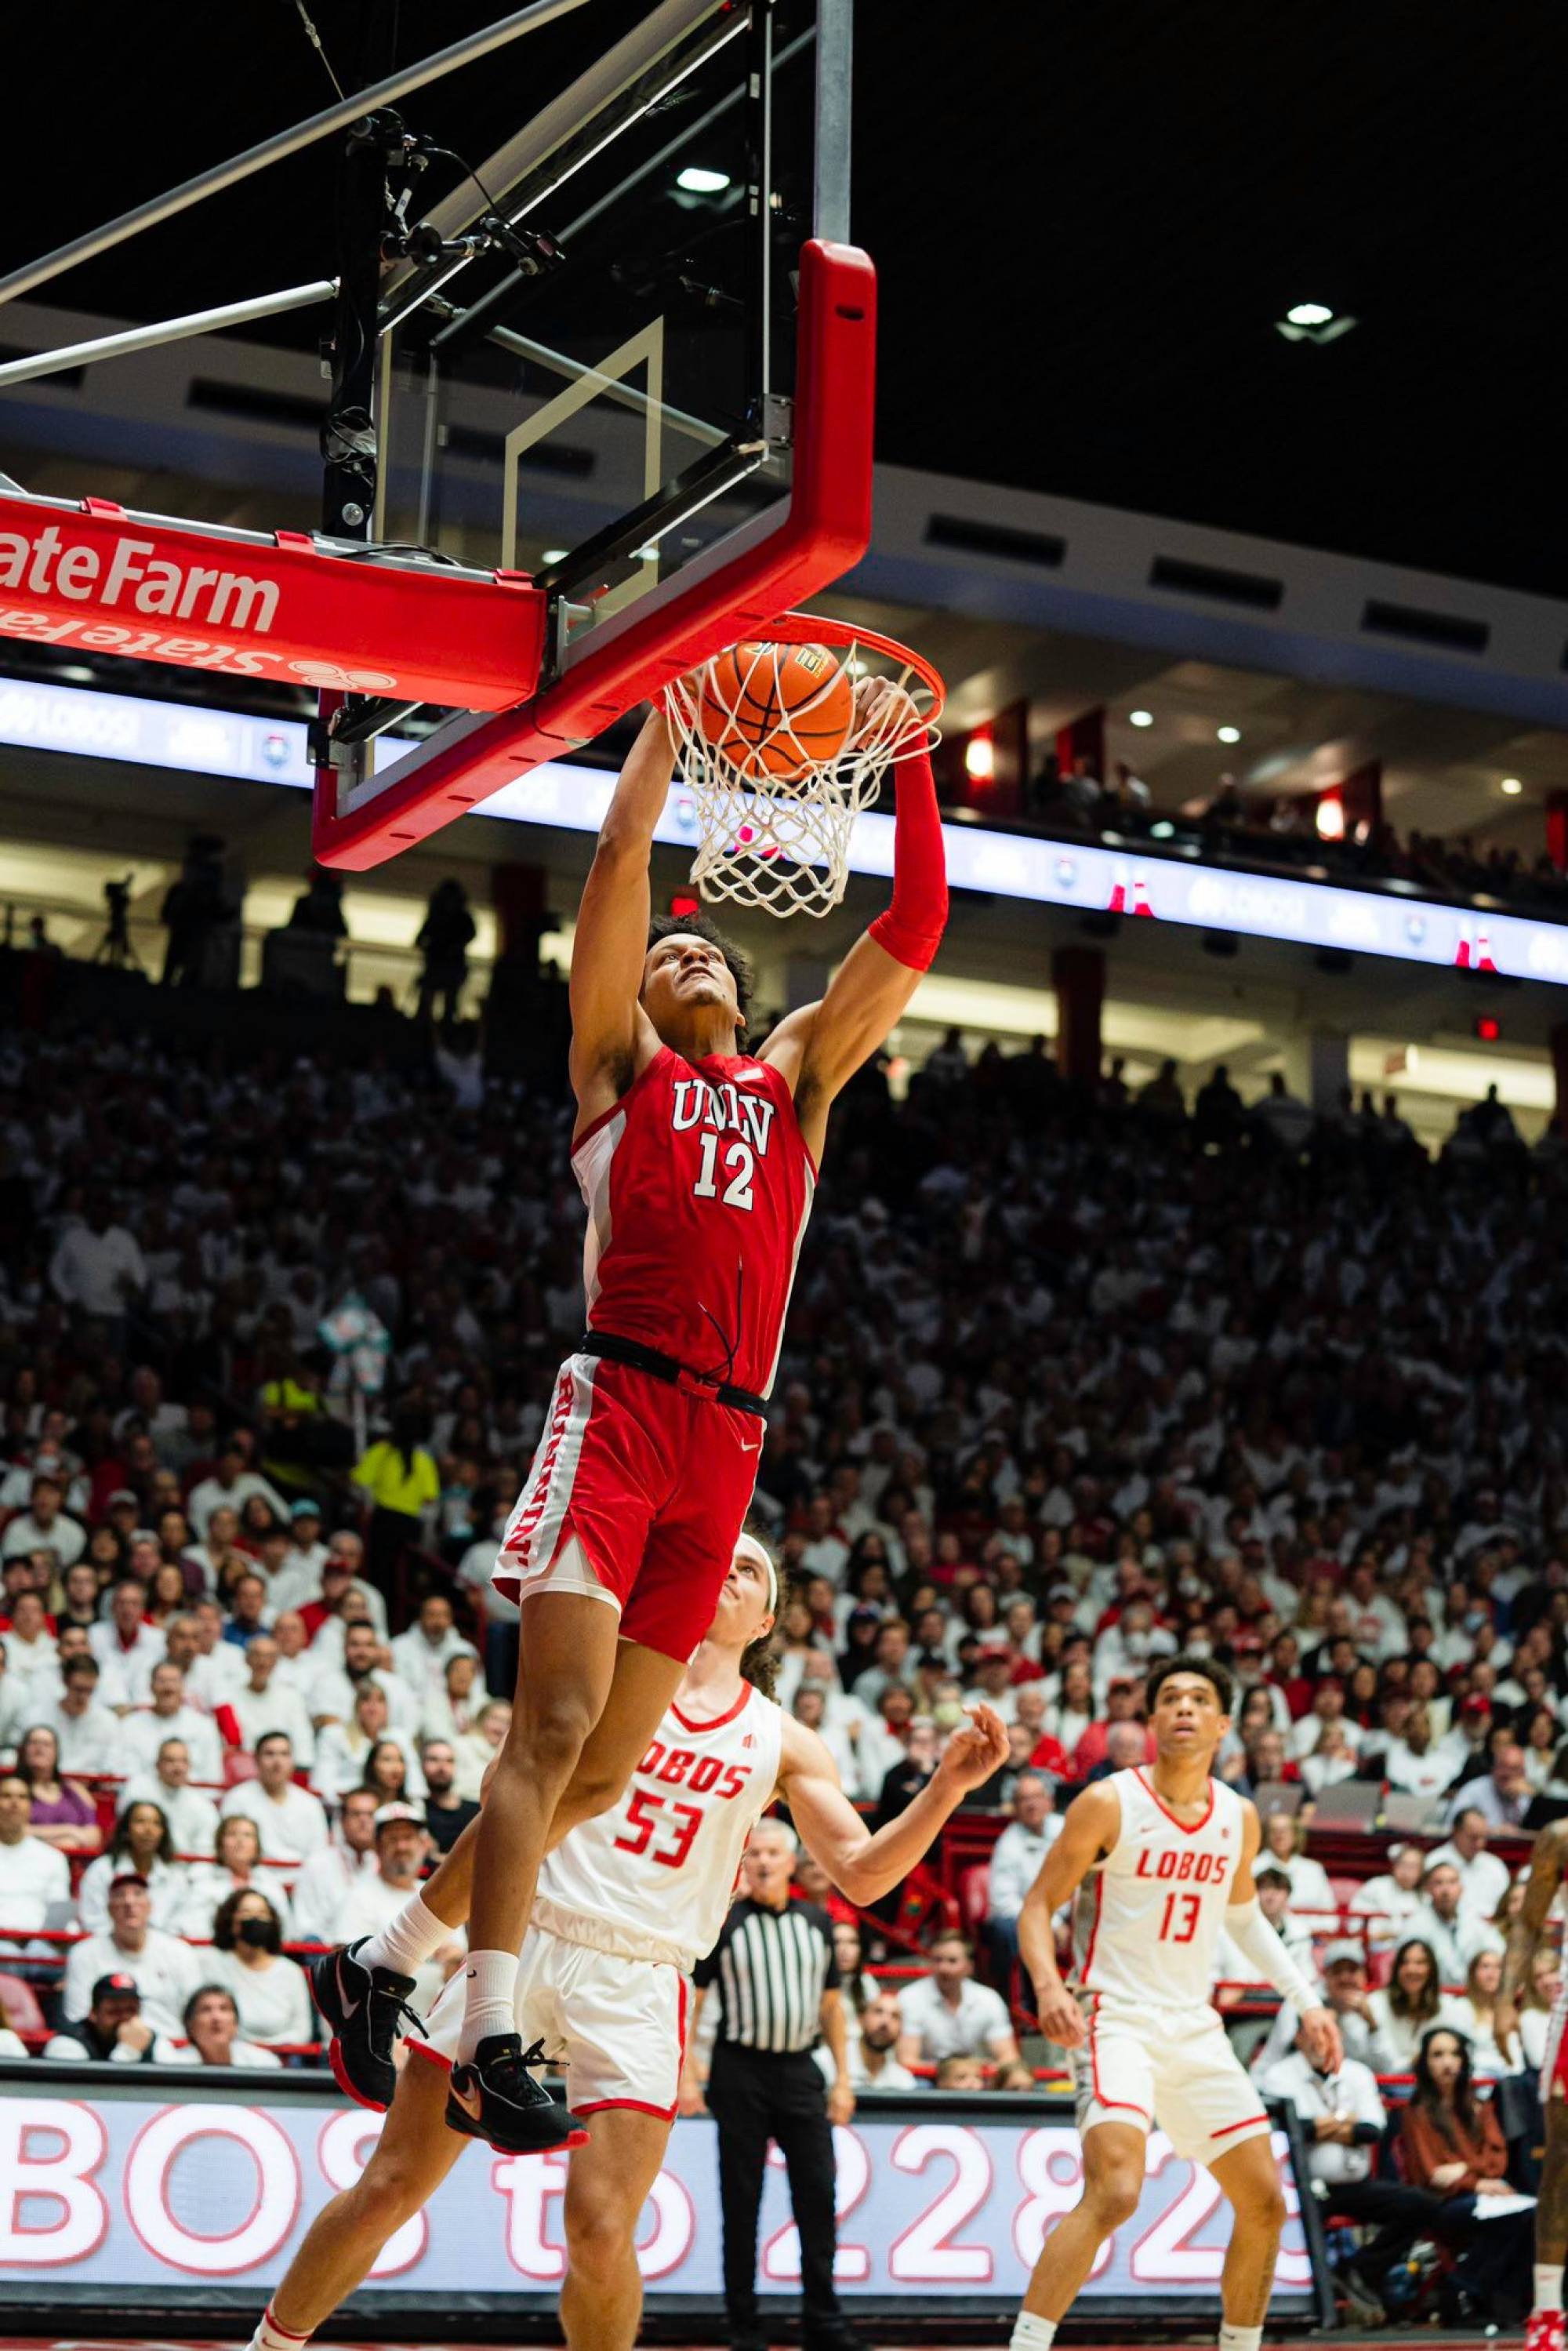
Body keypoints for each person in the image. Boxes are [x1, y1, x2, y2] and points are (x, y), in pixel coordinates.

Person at [340, 683, 946, 2152]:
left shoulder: (797, 1078)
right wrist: (672, 708)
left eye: (704, 947)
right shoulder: (621, 1075)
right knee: (550, 1724)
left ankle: (383, 1959)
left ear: (739, 991)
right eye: (665, 948)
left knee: (604, 1766)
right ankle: (484, 2027)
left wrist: (912, 763)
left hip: (727, 1442)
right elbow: (621, 863)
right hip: (619, 1400)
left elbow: (916, 924)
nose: (682, 946)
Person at [241, 1532, 1003, 2351]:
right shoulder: (608, 1673)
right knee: (388, 2186)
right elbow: (511, 1794)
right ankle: (269, 2345)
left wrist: (944, 1788)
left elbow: (858, 1871)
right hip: (527, 1935)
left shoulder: (780, 1739)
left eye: (749, 1570)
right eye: (721, 1558)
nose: (729, 1572)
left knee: (600, 2230)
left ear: (766, 1619)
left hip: (645, 1974)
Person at [1010, 1654, 1341, 2351]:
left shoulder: (1239, 1818)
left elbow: (1245, 1917)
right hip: (1115, 2017)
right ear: (1153, 1720)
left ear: (1224, 1724)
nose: (1184, 1708)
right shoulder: (1109, 1802)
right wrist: (1048, 1987)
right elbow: (1038, 1906)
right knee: (1117, 2191)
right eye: (1170, 1698)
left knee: (1265, 2204)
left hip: (1195, 2027)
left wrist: (1307, 2001)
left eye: (1199, 1699)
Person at [685, 1819, 859, 2351]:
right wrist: (688, 2073)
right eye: (754, 1853)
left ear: (792, 1863)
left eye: (772, 1853)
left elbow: (831, 2007)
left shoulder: (818, 1922)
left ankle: (824, 2321)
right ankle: (743, 2325)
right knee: (741, 2200)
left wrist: (843, 2079)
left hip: (801, 2071)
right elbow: (695, 2001)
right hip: (740, 2072)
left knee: (818, 2196)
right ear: (743, 1863)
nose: (763, 1862)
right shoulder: (725, 1923)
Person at [1258, 2011, 1470, 2319]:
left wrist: (1320, 2128)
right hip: (1301, 2187)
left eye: (1328, 2031)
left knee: (1419, 2205)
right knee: (1292, 2223)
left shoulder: (1357, 2073)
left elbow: (1371, 2130)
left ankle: (1358, 2270)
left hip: (1354, 2183)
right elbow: (1292, 2131)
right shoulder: (1280, 2075)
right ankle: (1316, 2306)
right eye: (1314, 2032)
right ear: (1298, 2037)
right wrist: (1345, 2123)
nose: (1321, 2040)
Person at [1400, 2026, 1535, 2326]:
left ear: (1464, 2061)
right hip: (1443, 2203)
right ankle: (1464, 2287)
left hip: (1485, 2195)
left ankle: (1502, 2296)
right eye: (1438, 2055)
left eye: (1454, 2054)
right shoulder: (1417, 2113)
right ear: (1425, 2063)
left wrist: (1463, 2169)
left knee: (1535, 2215)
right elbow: (1432, 2175)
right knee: (1513, 2220)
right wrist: (1476, 2178)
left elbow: (1497, 2160)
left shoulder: (1480, 2106)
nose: (1447, 2062)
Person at [1497, 1817, 1568, 2351]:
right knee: (1562, 2164)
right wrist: (1504, 1999)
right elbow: (1527, 1923)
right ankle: (1548, 2311)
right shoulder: (1560, 1837)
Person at [62, 1872, 200, 2035]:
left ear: (150, 1906)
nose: (129, 1902)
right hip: (107, 2049)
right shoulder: (84, 1954)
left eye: (138, 1894)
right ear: (109, 1909)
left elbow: (196, 2014)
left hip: (172, 2049)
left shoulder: (179, 1952)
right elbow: (78, 2015)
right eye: (120, 1896)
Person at [203, 1888, 313, 2049]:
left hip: (283, 2059)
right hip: (228, 2055)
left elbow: (302, 2031)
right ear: (232, 1922)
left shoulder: (291, 1971)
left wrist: (269, 2048)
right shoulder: (212, 1962)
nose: (255, 1918)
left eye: (262, 1913)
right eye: (246, 1912)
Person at [897, 1931, 1021, 2069]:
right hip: (927, 2083)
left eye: (952, 1961)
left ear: (969, 1967)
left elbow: (1009, 2058)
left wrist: (973, 2071)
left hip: (975, 2080)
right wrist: (956, 2072)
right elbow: (907, 2061)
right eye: (937, 1960)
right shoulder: (910, 1997)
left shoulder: (989, 1999)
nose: (943, 1968)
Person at [985, 1771, 1059, 1990]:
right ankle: (1024, 2004)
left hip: (1066, 1914)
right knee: (1004, 1928)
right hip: (1026, 1918)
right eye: (1024, 1799)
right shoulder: (1008, 1844)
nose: (1032, 1805)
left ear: (1050, 1801)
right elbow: (1003, 1903)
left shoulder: (1067, 1829)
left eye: (1037, 1797)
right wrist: (1050, 1923)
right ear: (1014, 1807)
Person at [76, 1799, 186, 1934]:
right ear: (126, 1830)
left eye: (156, 1824)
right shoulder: (102, 1870)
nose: (149, 1830)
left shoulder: (175, 1876)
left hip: (162, 1950)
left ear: (163, 1832)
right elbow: (92, 1920)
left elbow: (181, 1922)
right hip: (109, 1948)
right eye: (140, 1821)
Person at [44, 1971, 173, 2065]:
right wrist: (129, 2051)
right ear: (93, 2014)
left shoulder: (155, 2041)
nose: (124, 2018)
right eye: (114, 2011)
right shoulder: (67, 2044)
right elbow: (88, 2096)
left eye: (131, 2010)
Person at [0, 1768, 70, 1935]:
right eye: (6, 1796)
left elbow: (59, 1912)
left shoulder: (53, 1858)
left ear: (30, 1807)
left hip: (39, 1948)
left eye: (22, 1797)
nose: (14, 1803)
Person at [169, 1982, 283, 2069]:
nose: (216, 2017)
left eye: (224, 2009)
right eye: (206, 2010)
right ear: (190, 2024)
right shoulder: (173, 2065)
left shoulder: (264, 2063)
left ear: (235, 2024)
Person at [849, 1990, 917, 2091]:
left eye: (895, 2016)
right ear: (861, 2019)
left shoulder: (904, 2082)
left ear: (901, 2031)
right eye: (878, 2012)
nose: (885, 2022)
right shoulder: (827, 2063)